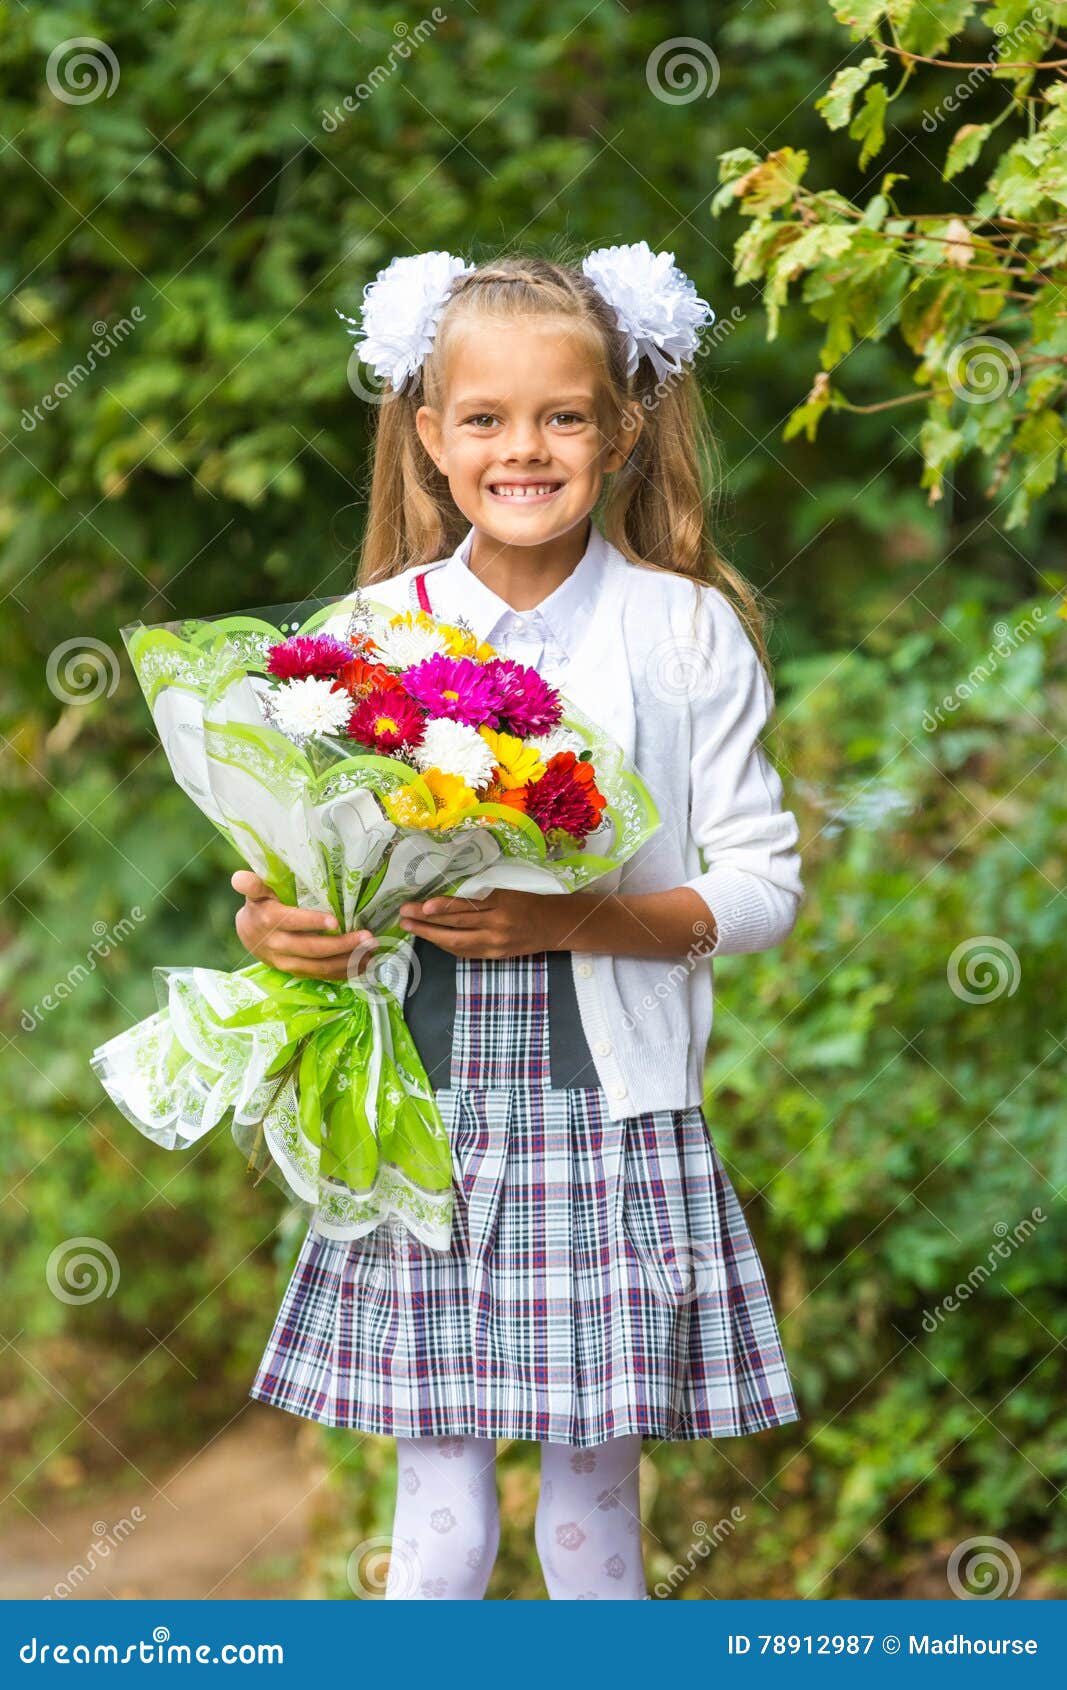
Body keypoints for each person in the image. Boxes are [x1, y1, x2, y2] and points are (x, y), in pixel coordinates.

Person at [235, 244, 805, 1600]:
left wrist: (581, 922)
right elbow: (302, 874)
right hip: (418, 1113)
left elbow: (766, 889)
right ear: (430, 437)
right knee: (436, 1518)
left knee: (593, 1517)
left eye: (561, 414)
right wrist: (285, 929)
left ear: (619, 427)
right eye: (484, 417)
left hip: (606, 1120)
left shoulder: (686, 633)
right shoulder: (370, 633)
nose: (523, 447)